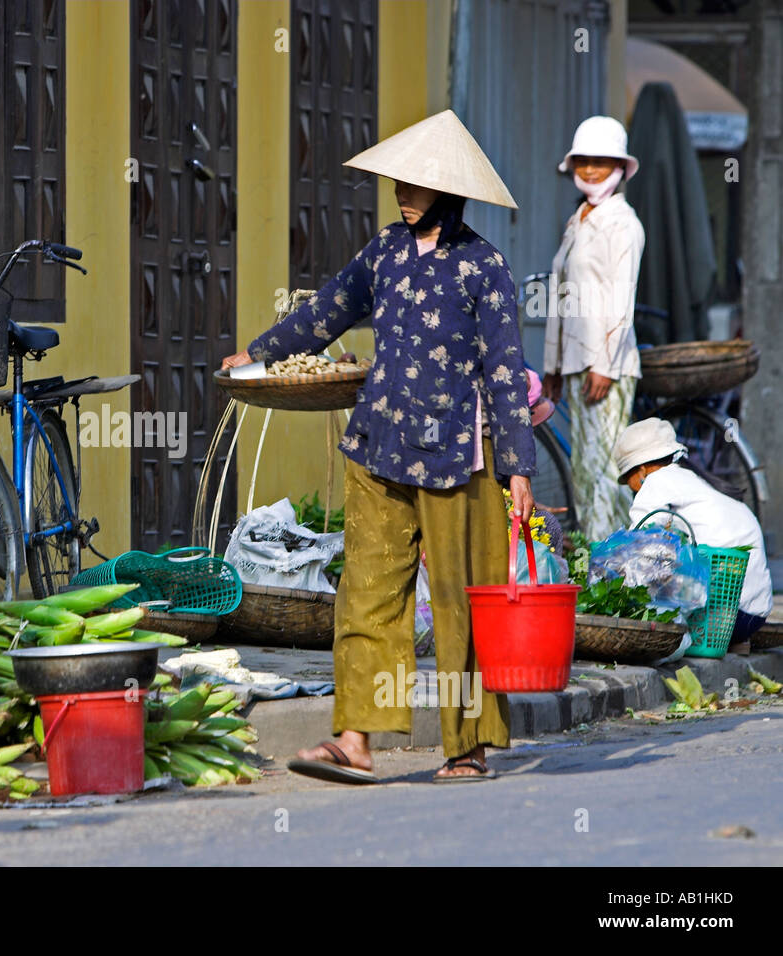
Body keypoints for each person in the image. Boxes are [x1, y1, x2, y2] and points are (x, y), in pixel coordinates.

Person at [221, 110, 537, 783]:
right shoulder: (385, 251)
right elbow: (330, 309)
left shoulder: (484, 266)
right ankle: (355, 738)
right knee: (365, 593)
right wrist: (262, 352)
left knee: (461, 603)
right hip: (379, 445)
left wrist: (517, 466)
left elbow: (507, 368)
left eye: (416, 183)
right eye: (399, 180)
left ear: (449, 192)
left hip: (459, 454)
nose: (402, 191)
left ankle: (467, 746)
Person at [542, 115, 646, 542]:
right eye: (583, 160)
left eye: (600, 161)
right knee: (585, 470)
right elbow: (561, 296)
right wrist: (552, 365)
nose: (589, 169)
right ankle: (599, 561)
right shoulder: (579, 221)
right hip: (576, 363)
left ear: (619, 168)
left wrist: (604, 365)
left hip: (608, 366)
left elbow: (623, 300)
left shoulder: (623, 224)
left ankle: (615, 568)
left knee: (605, 471)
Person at [613, 418, 773, 654]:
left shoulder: (656, 481)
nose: (631, 489)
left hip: (722, 618)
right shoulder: (696, 481)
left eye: (629, 481)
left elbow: (640, 543)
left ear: (641, 470)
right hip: (753, 618)